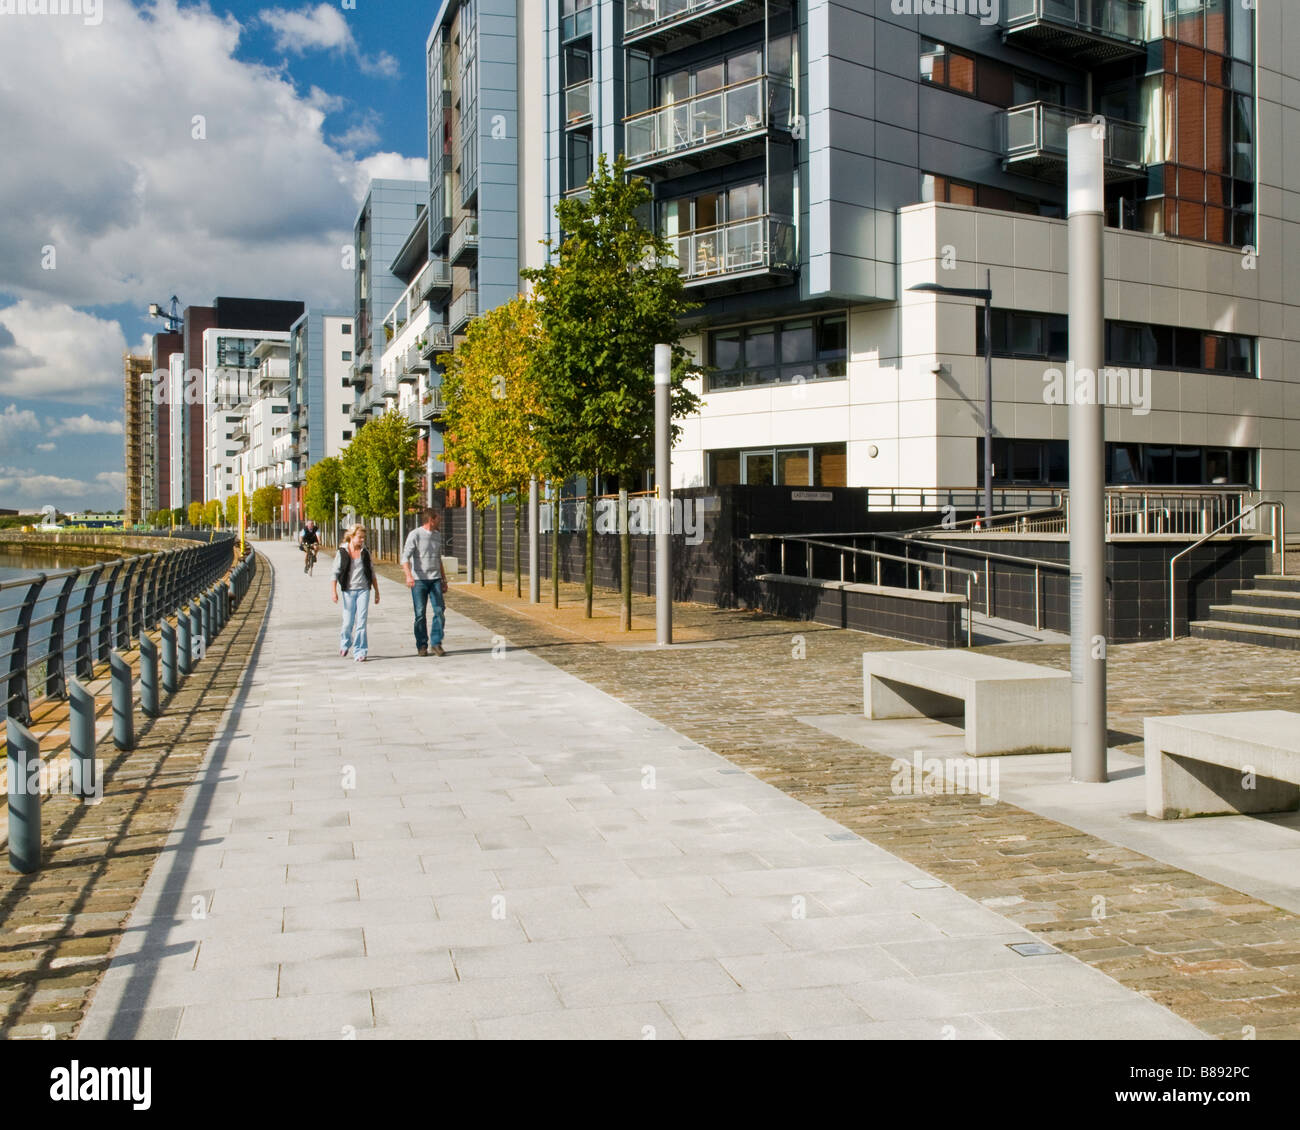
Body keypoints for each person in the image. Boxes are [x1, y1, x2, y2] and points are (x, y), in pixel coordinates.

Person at [400, 507, 448, 656]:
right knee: (420, 613)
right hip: (419, 580)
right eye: (438, 518)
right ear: (431, 520)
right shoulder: (415, 535)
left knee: (439, 610)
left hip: (435, 579)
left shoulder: (437, 535)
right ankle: (422, 645)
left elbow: (438, 558)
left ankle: (436, 643)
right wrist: (409, 576)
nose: (440, 521)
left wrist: (443, 579)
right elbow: (404, 558)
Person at [331, 524, 380, 661]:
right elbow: (334, 574)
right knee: (347, 622)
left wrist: (376, 591)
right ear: (351, 537)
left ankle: (360, 651)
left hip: (363, 590)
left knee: (361, 622)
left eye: (363, 537)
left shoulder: (365, 552)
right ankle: (345, 643)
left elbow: (372, 572)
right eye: (360, 537)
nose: (362, 540)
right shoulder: (342, 552)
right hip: (348, 591)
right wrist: (333, 592)